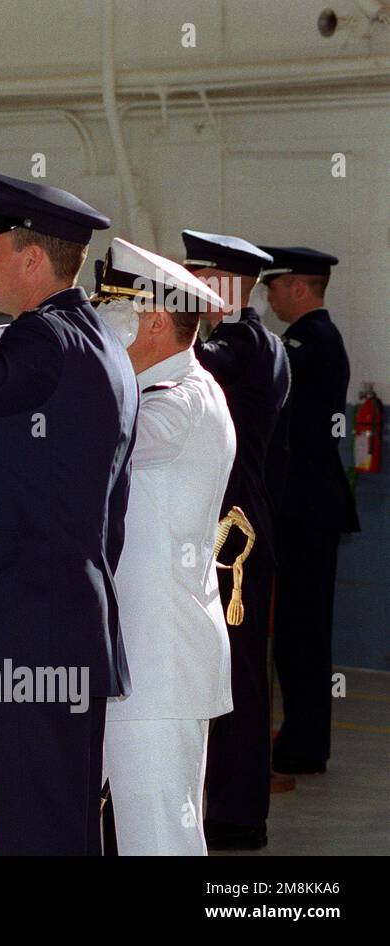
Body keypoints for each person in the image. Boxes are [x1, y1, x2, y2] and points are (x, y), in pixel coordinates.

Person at [0, 170, 135, 856]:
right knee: (55, 815)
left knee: (33, 820)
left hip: (31, 627)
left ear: (34, 258)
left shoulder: (45, 340)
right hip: (62, 618)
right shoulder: (94, 341)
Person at [92, 237, 235, 855]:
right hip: (131, 658)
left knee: (160, 839)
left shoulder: (182, 403)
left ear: (153, 319)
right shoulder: (153, 395)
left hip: (159, 666)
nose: (100, 324)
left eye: (111, 309)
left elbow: (91, 445)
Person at [180, 229, 289, 850]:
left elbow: (175, 364)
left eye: (198, 278)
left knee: (238, 672)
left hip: (231, 534)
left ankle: (238, 811)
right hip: (235, 523)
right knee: (231, 669)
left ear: (221, 284)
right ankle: (228, 800)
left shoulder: (238, 342)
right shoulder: (262, 342)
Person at [259, 245, 360, 775]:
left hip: (304, 506)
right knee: (302, 630)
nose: (270, 294)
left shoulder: (306, 342)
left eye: (274, 285)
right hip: (308, 505)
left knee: (301, 631)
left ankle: (302, 743)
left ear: (299, 286)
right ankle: (303, 738)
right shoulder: (318, 338)